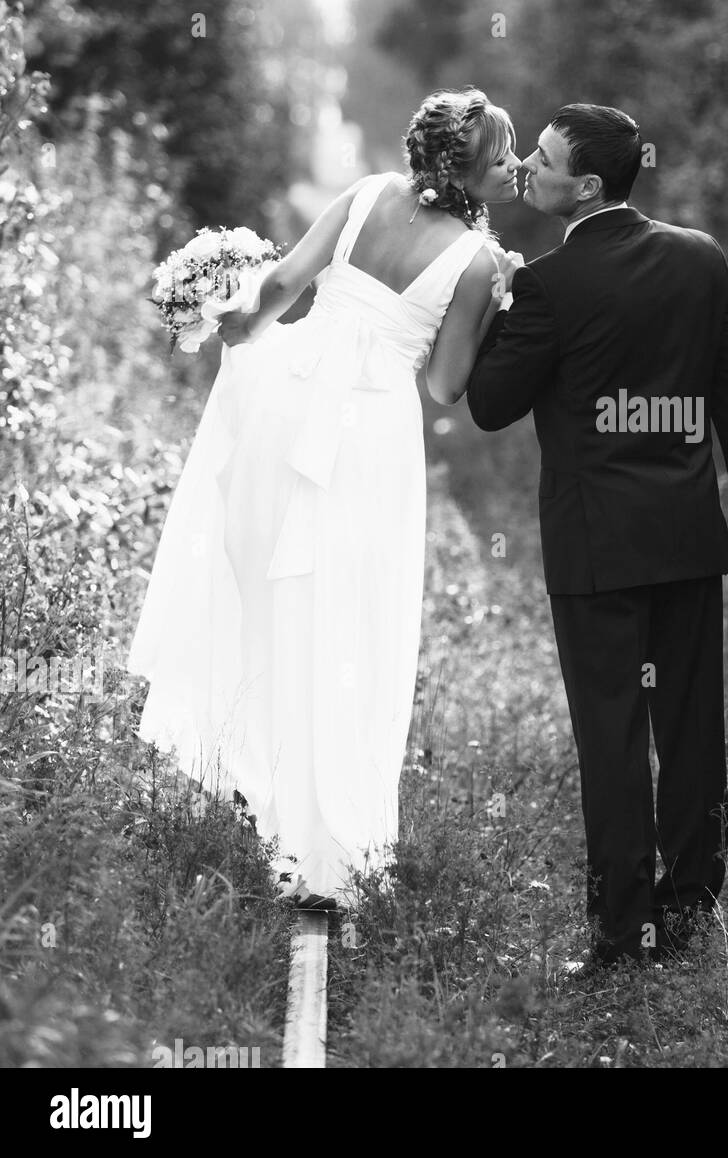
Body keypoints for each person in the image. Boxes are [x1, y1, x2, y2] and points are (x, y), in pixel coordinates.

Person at [128, 88, 519, 908]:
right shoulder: (481, 263)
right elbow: (447, 387)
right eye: (505, 155)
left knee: (271, 595)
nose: (514, 167)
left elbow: (280, 287)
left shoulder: (365, 194)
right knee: (349, 614)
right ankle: (324, 836)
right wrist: (496, 312)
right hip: (367, 439)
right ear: (472, 170)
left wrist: (229, 322)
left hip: (287, 404)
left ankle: (262, 789)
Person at [467, 102, 728, 968]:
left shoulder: (545, 283)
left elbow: (492, 405)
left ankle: (624, 930)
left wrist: (499, 310)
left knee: (612, 737)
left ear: (586, 186)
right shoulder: (698, 259)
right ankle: (690, 911)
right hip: (685, 538)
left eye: (541, 161)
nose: (526, 170)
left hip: (595, 548)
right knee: (689, 727)